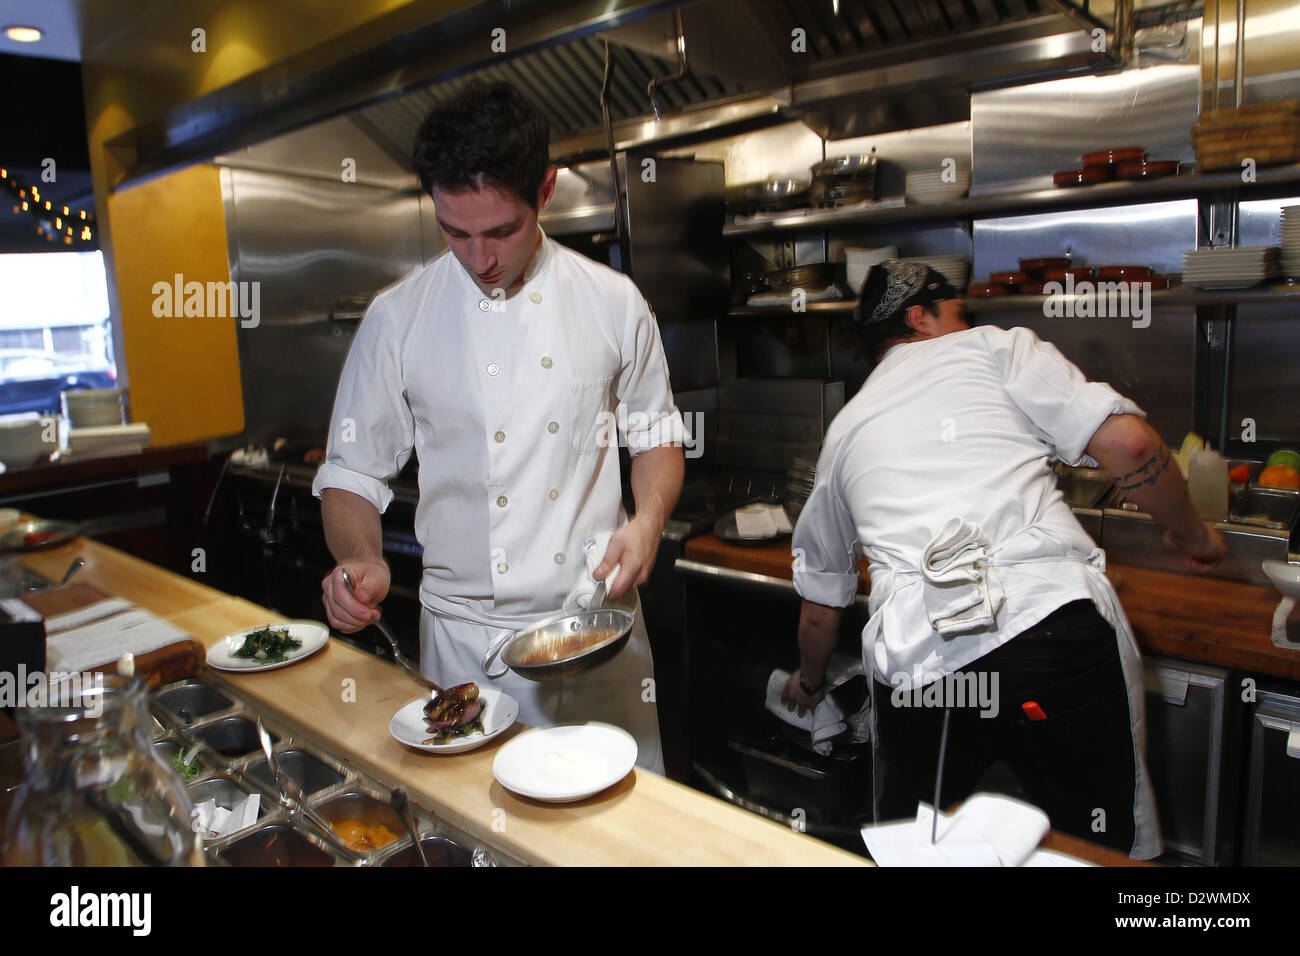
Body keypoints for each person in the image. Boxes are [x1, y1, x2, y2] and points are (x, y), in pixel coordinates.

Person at [780, 260, 1226, 858]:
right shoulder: (994, 350)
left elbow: (820, 604)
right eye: (958, 311)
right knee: (1089, 852)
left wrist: (809, 684)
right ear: (921, 316)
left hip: (925, 669)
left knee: (921, 851)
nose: (969, 321)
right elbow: (1132, 444)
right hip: (1049, 634)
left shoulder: (845, 429)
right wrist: (1195, 538)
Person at [312, 81, 685, 774]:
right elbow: (350, 474)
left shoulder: (612, 302)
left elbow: (657, 436)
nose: (478, 259)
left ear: (544, 191)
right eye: (454, 232)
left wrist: (650, 519)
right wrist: (359, 557)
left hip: (593, 632)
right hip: (465, 650)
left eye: (500, 231)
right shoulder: (398, 318)